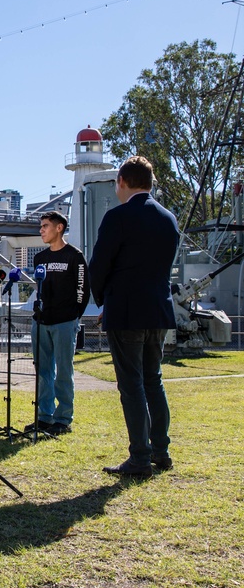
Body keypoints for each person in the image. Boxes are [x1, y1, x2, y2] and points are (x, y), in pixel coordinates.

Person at [89, 156, 178, 477]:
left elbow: (98, 267)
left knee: (132, 385)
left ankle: (140, 458)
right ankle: (160, 451)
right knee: (153, 380)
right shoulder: (169, 219)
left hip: (126, 310)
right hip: (158, 310)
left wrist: (103, 301)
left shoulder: (118, 217)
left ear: (123, 182)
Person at [27, 211, 89, 436]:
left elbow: (83, 291)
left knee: (63, 370)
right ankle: (44, 417)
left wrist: (74, 316)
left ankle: (62, 418)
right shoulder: (39, 258)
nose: (41, 230)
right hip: (41, 322)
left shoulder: (75, 256)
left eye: (45, 226)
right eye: (40, 227)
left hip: (65, 322)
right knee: (43, 371)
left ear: (59, 227)